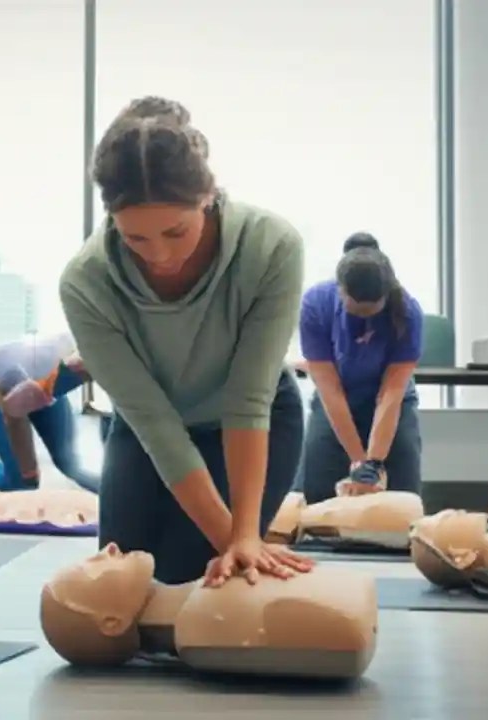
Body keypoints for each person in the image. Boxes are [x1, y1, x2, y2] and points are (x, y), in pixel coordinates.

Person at [59, 96, 312, 586]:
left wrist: (242, 538)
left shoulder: (272, 247)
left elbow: (248, 400)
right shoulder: (84, 283)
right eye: (136, 239)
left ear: (208, 196)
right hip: (148, 428)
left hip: (251, 420)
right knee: (124, 584)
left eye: (176, 232)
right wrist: (232, 539)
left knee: (198, 580)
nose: (159, 257)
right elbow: (154, 425)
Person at [296, 233, 425, 503]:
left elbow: (391, 394)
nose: (365, 320)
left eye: (372, 313)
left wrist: (373, 463)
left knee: (403, 498)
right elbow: (329, 389)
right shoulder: (315, 304)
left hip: (392, 403)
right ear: (339, 290)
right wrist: (358, 460)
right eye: (357, 313)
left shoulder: (409, 312)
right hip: (337, 395)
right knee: (315, 493)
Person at [0, 332, 99, 493]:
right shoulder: (14, 374)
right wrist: (29, 473)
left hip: (40, 374)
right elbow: (14, 417)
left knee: (69, 466)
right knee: (22, 483)